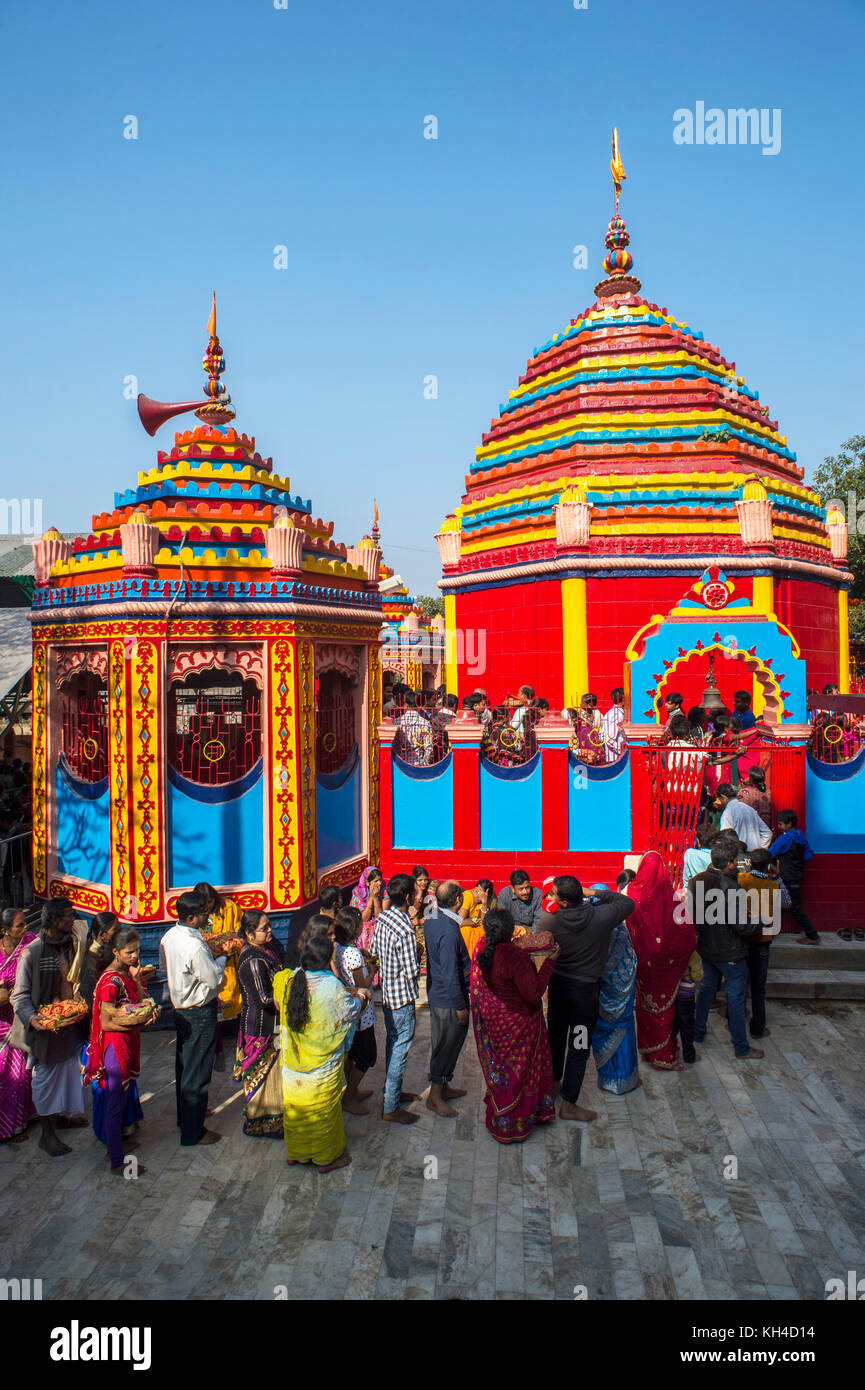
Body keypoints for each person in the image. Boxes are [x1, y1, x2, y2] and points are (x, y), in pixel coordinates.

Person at [539, 875, 636, 1120]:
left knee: (556, 1037)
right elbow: (626, 902)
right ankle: (569, 1102)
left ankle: (553, 1084)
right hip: (585, 993)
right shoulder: (601, 917)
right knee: (579, 1045)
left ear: (561, 901)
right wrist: (593, 892)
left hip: (560, 989)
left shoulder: (550, 919)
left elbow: (537, 947)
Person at [273, 934, 368, 1172]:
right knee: (324, 1110)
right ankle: (326, 1158)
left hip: (294, 1064)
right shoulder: (331, 986)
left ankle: (297, 1153)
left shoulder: (290, 979)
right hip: (322, 1065)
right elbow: (349, 1012)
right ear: (327, 960)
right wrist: (363, 997)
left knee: (297, 1110)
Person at [470, 908, 559, 1143]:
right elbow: (532, 994)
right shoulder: (514, 956)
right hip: (521, 1022)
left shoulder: (482, 947)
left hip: (498, 1022)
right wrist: (549, 964)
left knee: (506, 1069)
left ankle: (502, 1118)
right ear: (510, 931)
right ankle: (518, 1121)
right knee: (524, 1071)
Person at [9, 899, 88, 1157]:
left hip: (69, 1025)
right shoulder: (31, 953)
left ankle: (63, 1116)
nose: (72, 919)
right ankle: (47, 1134)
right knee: (44, 1080)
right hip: (44, 1031)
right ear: (54, 920)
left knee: (68, 1073)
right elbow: (20, 995)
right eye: (68, 916)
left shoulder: (71, 944)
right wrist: (33, 1019)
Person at [83, 928, 158, 1176]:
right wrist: (137, 1021)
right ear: (115, 952)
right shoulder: (111, 982)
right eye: (129, 952)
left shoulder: (124, 975)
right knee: (115, 1102)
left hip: (126, 1042)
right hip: (116, 1047)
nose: (135, 955)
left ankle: (115, 1146)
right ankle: (117, 1161)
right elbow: (106, 1022)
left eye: (137, 950)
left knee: (120, 1099)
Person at [159, 889, 228, 1147]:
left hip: (181, 1009)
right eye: (202, 914)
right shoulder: (194, 946)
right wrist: (221, 959)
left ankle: (186, 1118)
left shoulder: (170, 936)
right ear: (191, 918)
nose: (206, 918)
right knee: (197, 1071)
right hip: (198, 1011)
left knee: (186, 1067)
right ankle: (193, 1131)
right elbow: (213, 978)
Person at [687, 842, 765, 1061]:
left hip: (707, 947)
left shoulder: (697, 880)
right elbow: (741, 926)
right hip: (730, 951)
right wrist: (759, 922)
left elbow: (693, 915)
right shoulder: (731, 888)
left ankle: (698, 1032)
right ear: (730, 863)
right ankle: (741, 1046)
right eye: (736, 861)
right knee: (735, 998)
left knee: (706, 990)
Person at [626, 851, 697, 1071]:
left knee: (646, 1008)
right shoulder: (671, 896)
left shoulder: (632, 894)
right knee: (665, 1011)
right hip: (667, 967)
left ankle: (648, 1050)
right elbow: (687, 933)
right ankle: (664, 1056)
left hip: (644, 965)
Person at [371, 872, 421, 1125]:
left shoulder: (383, 919)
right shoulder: (405, 929)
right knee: (401, 1048)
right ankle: (390, 1106)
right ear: (409, 896)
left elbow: (373, 952)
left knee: (393, 1043)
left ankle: (393, 1092)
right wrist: (418, 953)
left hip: (388, 994)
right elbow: (412, 970)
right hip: (402, 997)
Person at [233, 910, 285, 1137]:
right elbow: (264, 998)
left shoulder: (265, 951)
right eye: (264, 929)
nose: (269, 930)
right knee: (262, 1078)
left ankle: (274, 1120)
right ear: (249, 933)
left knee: (274, 1076)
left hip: (271, 1024)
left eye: (269, 925)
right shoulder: (253, 961)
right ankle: (258, 1123)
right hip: (260, 1026)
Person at [423, 881, 471, 1117]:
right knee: (446, 1044)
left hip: (437, 991)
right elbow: (450, 972)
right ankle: (434, 1096)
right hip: (448, 997)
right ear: (458, 901)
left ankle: (444, 1086)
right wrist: (460, 1006)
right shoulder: (450, 934)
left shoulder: (432, 915)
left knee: (446, 1043)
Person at [589, 885, 640, 1095]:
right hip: (623, 988)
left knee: (600, 1030)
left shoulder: (590, 926)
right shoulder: (618, 926)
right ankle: (625, 1079)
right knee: (624, 1031)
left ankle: (607, 1078)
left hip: (599, 990)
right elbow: (629, 959)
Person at [333, 906, 377, 1114]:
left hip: (349, 1008)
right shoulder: (353, 954)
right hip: (361, 1010)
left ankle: (353, 1090)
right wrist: (374, 971)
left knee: (352, 1054)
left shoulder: (339, 949)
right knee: (367, 1055)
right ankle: (349, 1096)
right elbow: (363, 985)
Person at [0, 908, 37, 1142]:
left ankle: (24, 1119)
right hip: (3, 1019)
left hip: (24, 1013)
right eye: (19, 926)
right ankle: (7, 1126)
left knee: (24, 1071)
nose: (25, 929)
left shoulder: (31, 942)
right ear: (5, 931)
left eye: (25, 924)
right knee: (9, 1069)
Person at [736, 848, 781, 1041]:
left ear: (750, 863)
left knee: (738, 983)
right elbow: (786, 903)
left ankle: (735, 1021)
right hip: (762, 941)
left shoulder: (741, 880)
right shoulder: (774, 886)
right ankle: (757, 1027)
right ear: (769, 865)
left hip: (742, 939)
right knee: (758, 986)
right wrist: (777, 878)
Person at [769, 810, 819, 944]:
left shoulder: (784, 839)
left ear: (788, 824)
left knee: (792, 907)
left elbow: (769, 854)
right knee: (791, 905)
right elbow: (808, 856)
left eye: (780, 824)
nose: (779, 827)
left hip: (786, 878)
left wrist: (775, 867)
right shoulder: (801, 837)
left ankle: (813, 935)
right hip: (798, 876)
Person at [715, 782, 772, 851]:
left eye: (719, 799)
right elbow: (767, 833)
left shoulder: (727, 813)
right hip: (755, 857)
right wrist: (759, 849)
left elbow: (726, 838)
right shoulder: (749, 809)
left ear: (723, 797)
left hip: (740, 856)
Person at [351, 865, 384, 957]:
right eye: (376, 881)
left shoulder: (384, 892)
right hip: (362, 923)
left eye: (380, 880)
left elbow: (380, 917)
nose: (379, 884)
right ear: (367, 883)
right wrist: (371, 898)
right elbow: (364, 918)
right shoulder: (358, 893)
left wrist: (376, 898)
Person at [460, 879, 496, 960]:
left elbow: (484, 922)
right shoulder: (468, 896)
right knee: (466, 930)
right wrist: (475, 922)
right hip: (463, 927)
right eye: (476, 891)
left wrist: (484, 903)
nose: (476, 895)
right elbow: (460, 921)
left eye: (480, 893)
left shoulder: (487, 901)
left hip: (475, 928)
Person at [395, 690, 433, 767]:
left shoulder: (397, 722)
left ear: (405, 705)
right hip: (419, 763)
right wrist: (425, 764)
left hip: (400, 762)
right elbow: (428, 748)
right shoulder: (425, 723)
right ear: (418, 706)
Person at [682, 821, 719, 887]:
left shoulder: (690, 854)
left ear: (698, 841)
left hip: (695, 892)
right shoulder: (718, 856)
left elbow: (686, 880)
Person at [602, 687, 626, 763]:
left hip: (613, 755)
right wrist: (621, 750)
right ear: (623, 699)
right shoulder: (617, 714)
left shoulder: (611, 712)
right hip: (615, 756)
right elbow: (610, 738)